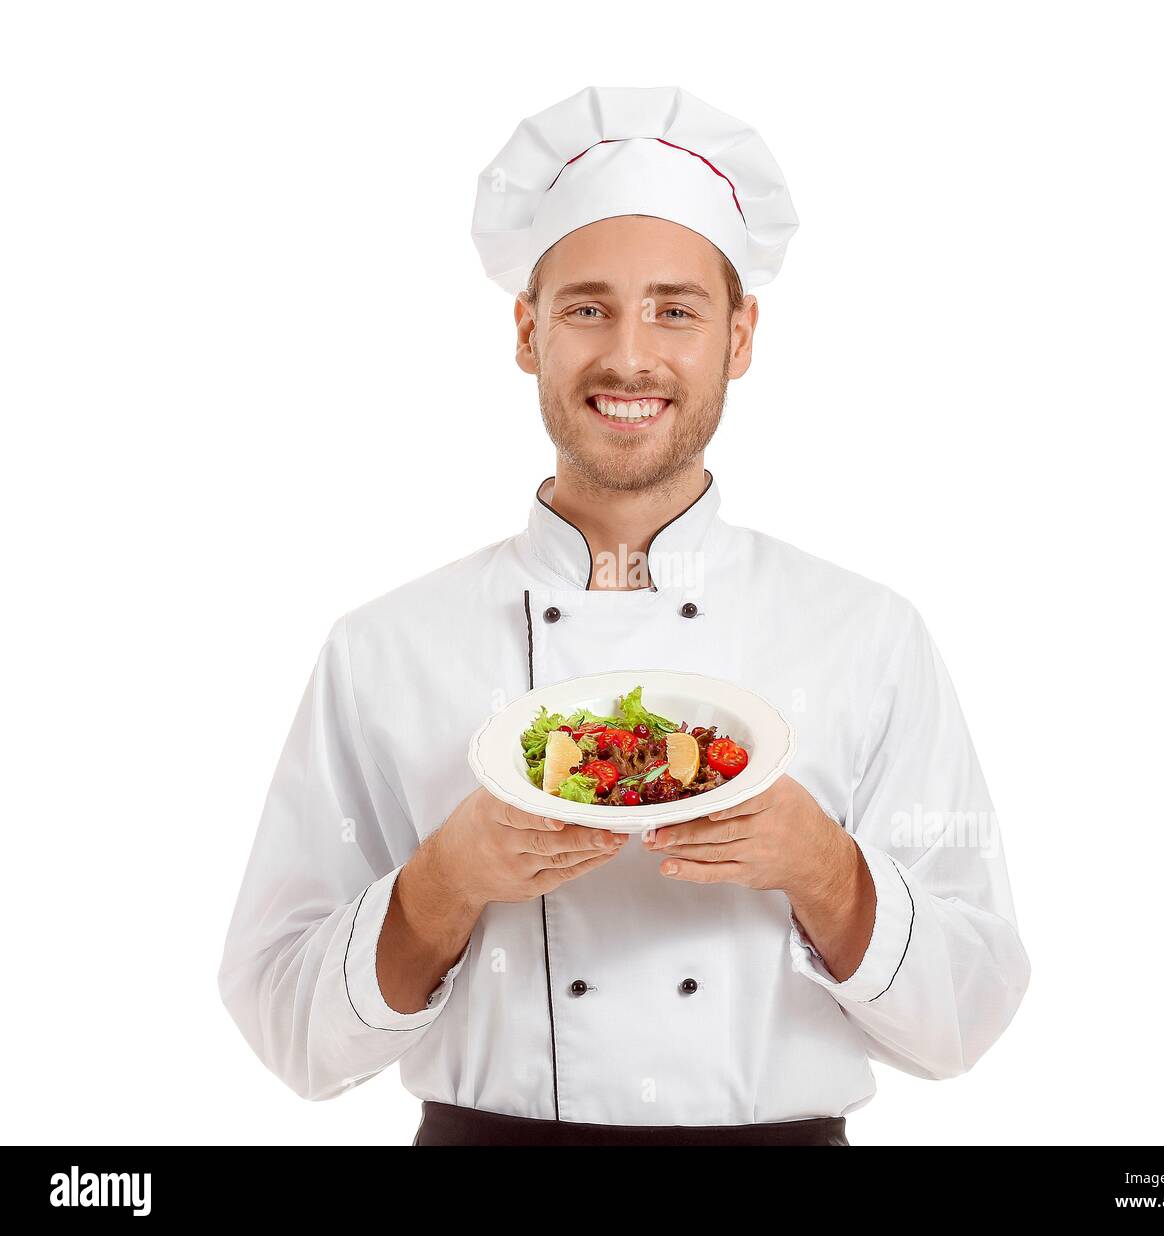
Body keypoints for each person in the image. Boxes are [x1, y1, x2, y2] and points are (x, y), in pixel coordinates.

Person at [218, 86, 1030, 1147]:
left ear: (740, 337)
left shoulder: (867, 635)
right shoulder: (385, 647)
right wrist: (441, 886)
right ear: (528, 332)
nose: (631, 357)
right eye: (587, 307)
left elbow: (967, 1019)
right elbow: (285, 1028)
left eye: (677, 310)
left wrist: (824, 868)